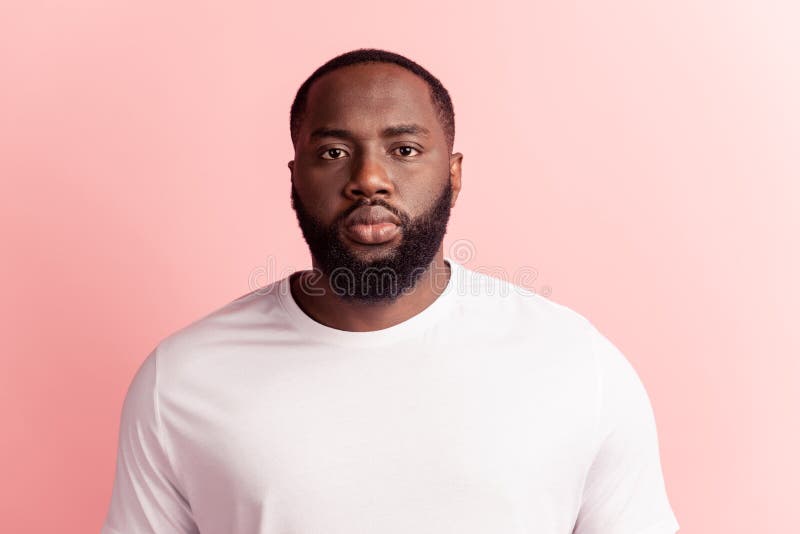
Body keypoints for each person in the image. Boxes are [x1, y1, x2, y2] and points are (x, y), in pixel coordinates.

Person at [101, 48, 680, 534]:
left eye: (403, 149)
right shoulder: (181, 379)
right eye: (333, 152)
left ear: (453, 174)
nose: (369, 179)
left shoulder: (575, 362)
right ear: (296, 175)